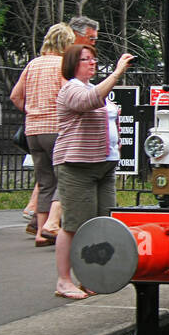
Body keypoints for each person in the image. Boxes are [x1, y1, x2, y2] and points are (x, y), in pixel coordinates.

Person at [52, 43, 134, 299]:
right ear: (72, 64)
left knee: (102, 224)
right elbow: (89, 102)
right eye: (86, 59)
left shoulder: (92, 88)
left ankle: (90, 278)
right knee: (74, 225)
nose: (92, 63)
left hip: (104, 165)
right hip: (77, 166)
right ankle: (64, 281)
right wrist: (118, 72)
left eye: (94, 58)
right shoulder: (71, 89)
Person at [10, 23, 75, 246]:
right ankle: (53, 225)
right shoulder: (63, 66)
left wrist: (31, 111)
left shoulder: (32, 65)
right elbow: (71, 95)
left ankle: (39, 233)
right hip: (57, 129)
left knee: (45, 181)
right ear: (66, 43)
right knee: (66, 177)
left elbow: (15, 97)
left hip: (33, 130)